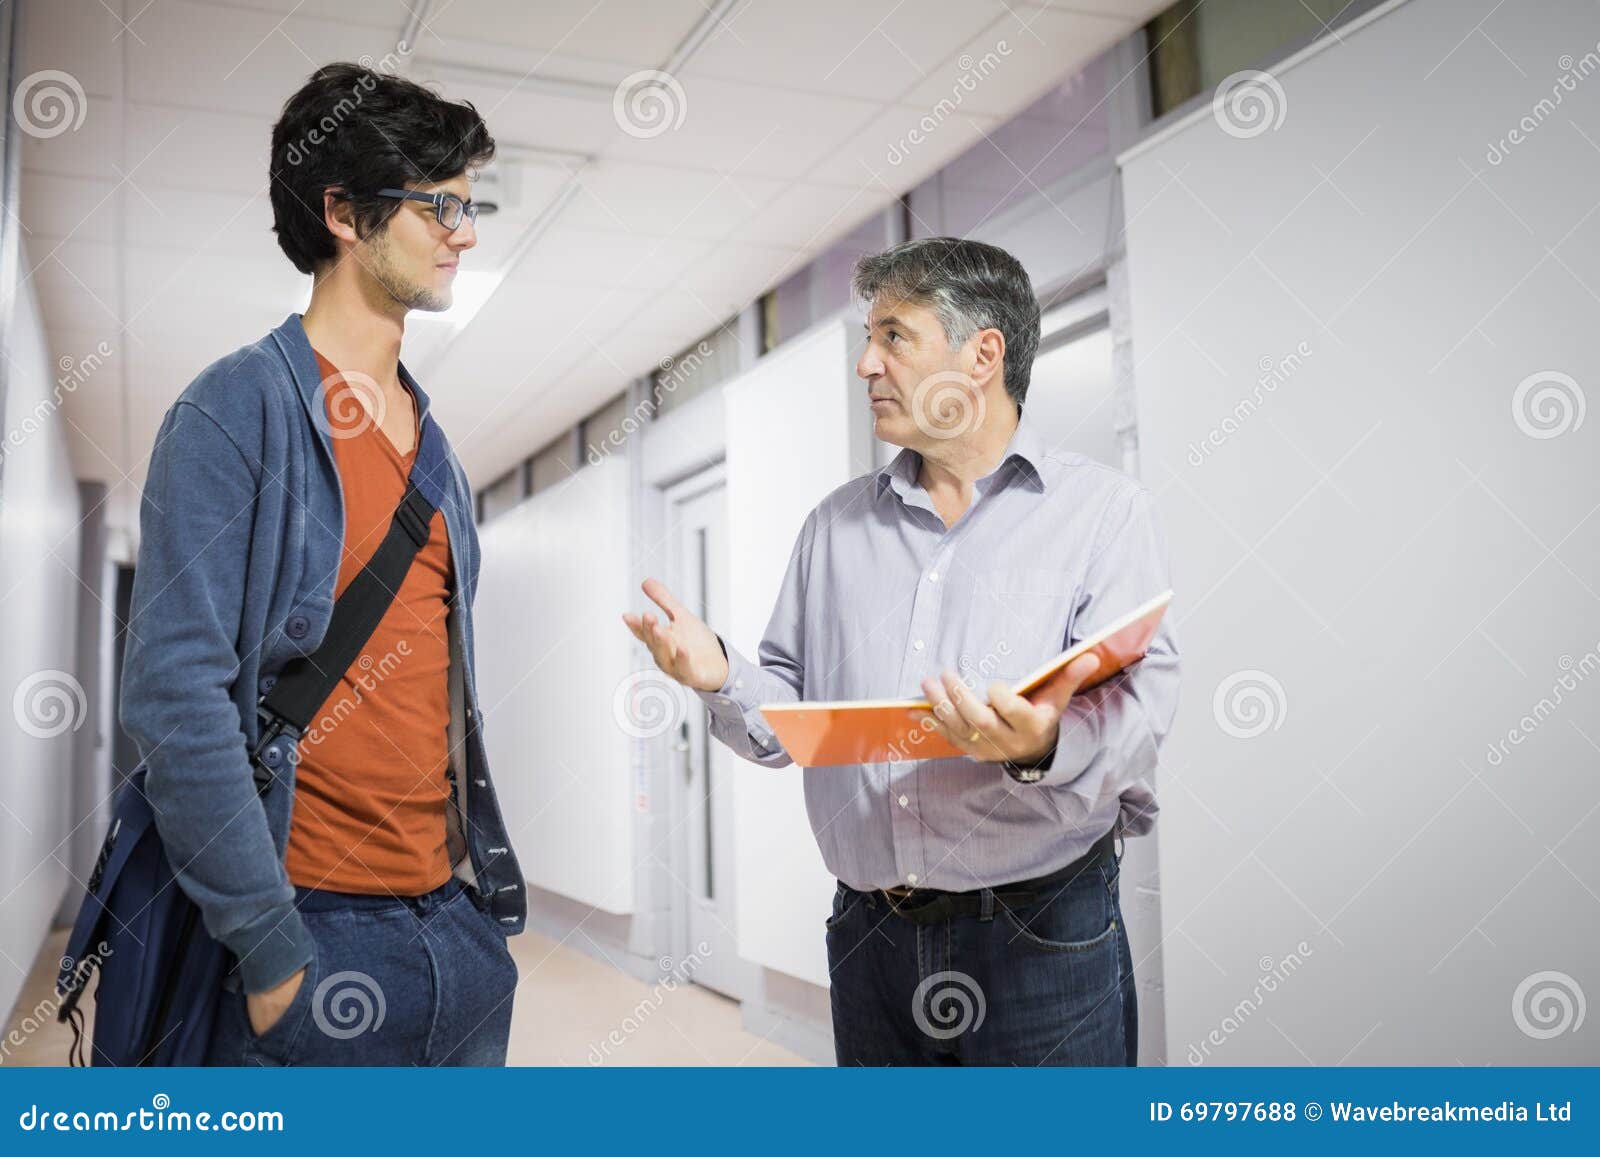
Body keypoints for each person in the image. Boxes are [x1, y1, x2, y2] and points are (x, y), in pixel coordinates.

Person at [624, 237, 1180, 1065]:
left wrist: (1042, 745)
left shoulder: (1101, 512)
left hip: (1041, 932)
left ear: (982, 353)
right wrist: (720, 678)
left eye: (893, 336)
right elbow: (788, 720)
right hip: (869, 934)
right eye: (867, 338)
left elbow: (1144, 707)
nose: (866, 365)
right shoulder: (834, 527)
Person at [119, 63, 524, 1067]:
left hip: (456, 931)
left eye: (470, 207)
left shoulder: (438, 455)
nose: (463, 233)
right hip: (313, 937)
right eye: (439, 206)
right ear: (343, 211)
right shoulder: (234, 413)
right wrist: (270, 955)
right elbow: (175, 695)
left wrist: (480, 926)